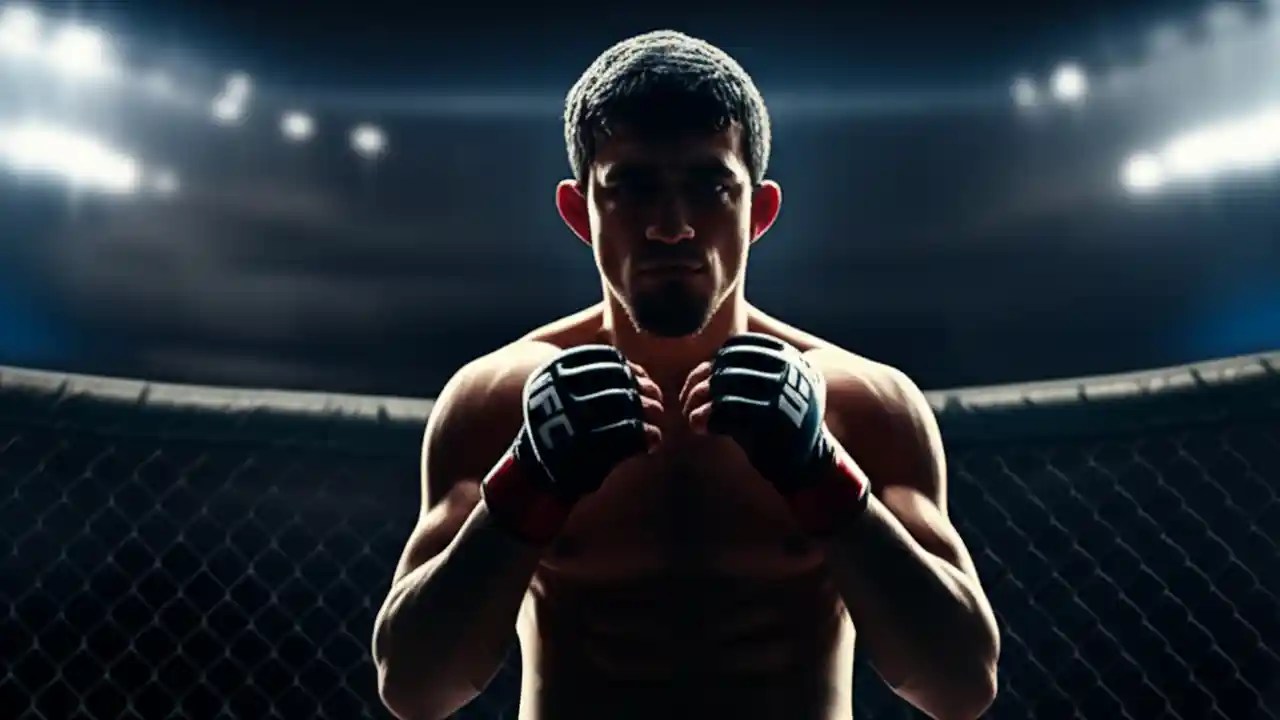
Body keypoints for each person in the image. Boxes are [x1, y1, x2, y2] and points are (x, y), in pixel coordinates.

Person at [372, 29, 1000, 720]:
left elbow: (960, 686)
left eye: (708, 186)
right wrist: (528, 483)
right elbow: (415, 688)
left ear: (757, 211)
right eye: (633, 188)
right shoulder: (497, 401)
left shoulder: (864, 403)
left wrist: (821, 475)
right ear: (580, 210)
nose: (671, 227)